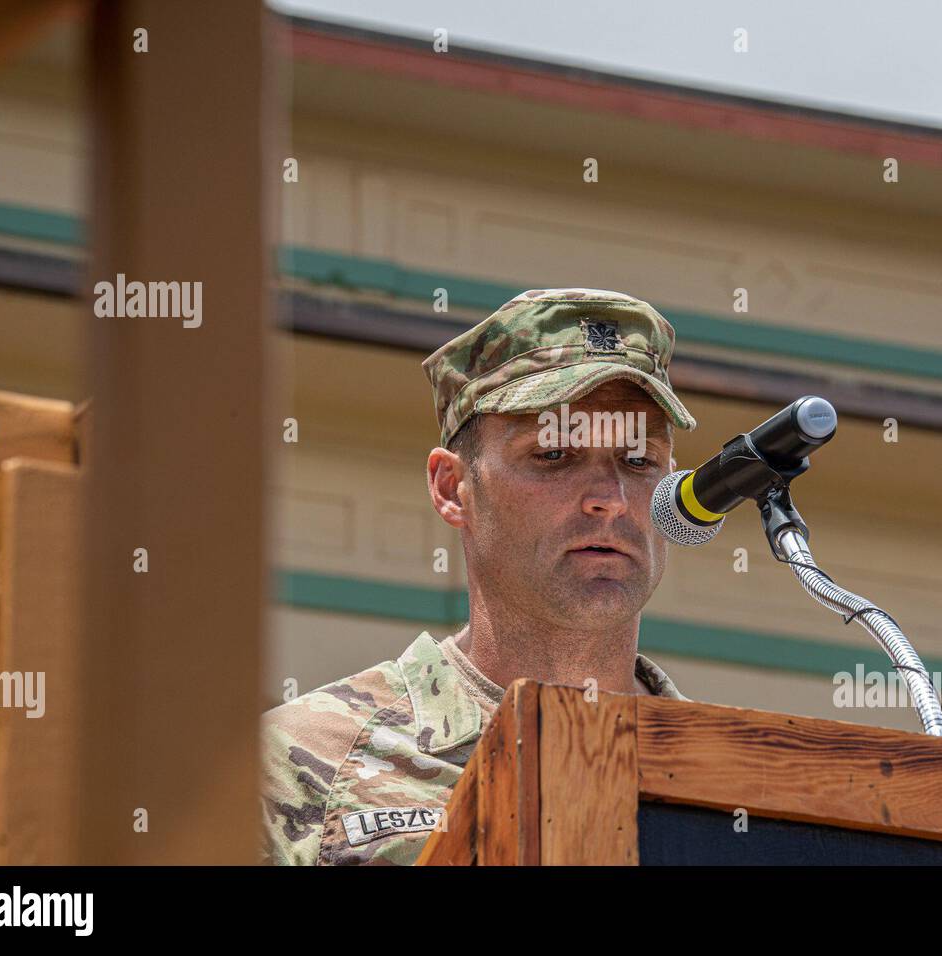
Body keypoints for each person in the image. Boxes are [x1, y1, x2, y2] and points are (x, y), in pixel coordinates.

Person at [260, 288, 697, 865]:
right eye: (554, 456)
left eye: (639, 461)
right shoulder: (302, 759)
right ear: (452, 488)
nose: (609, 500)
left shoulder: (738, 774)